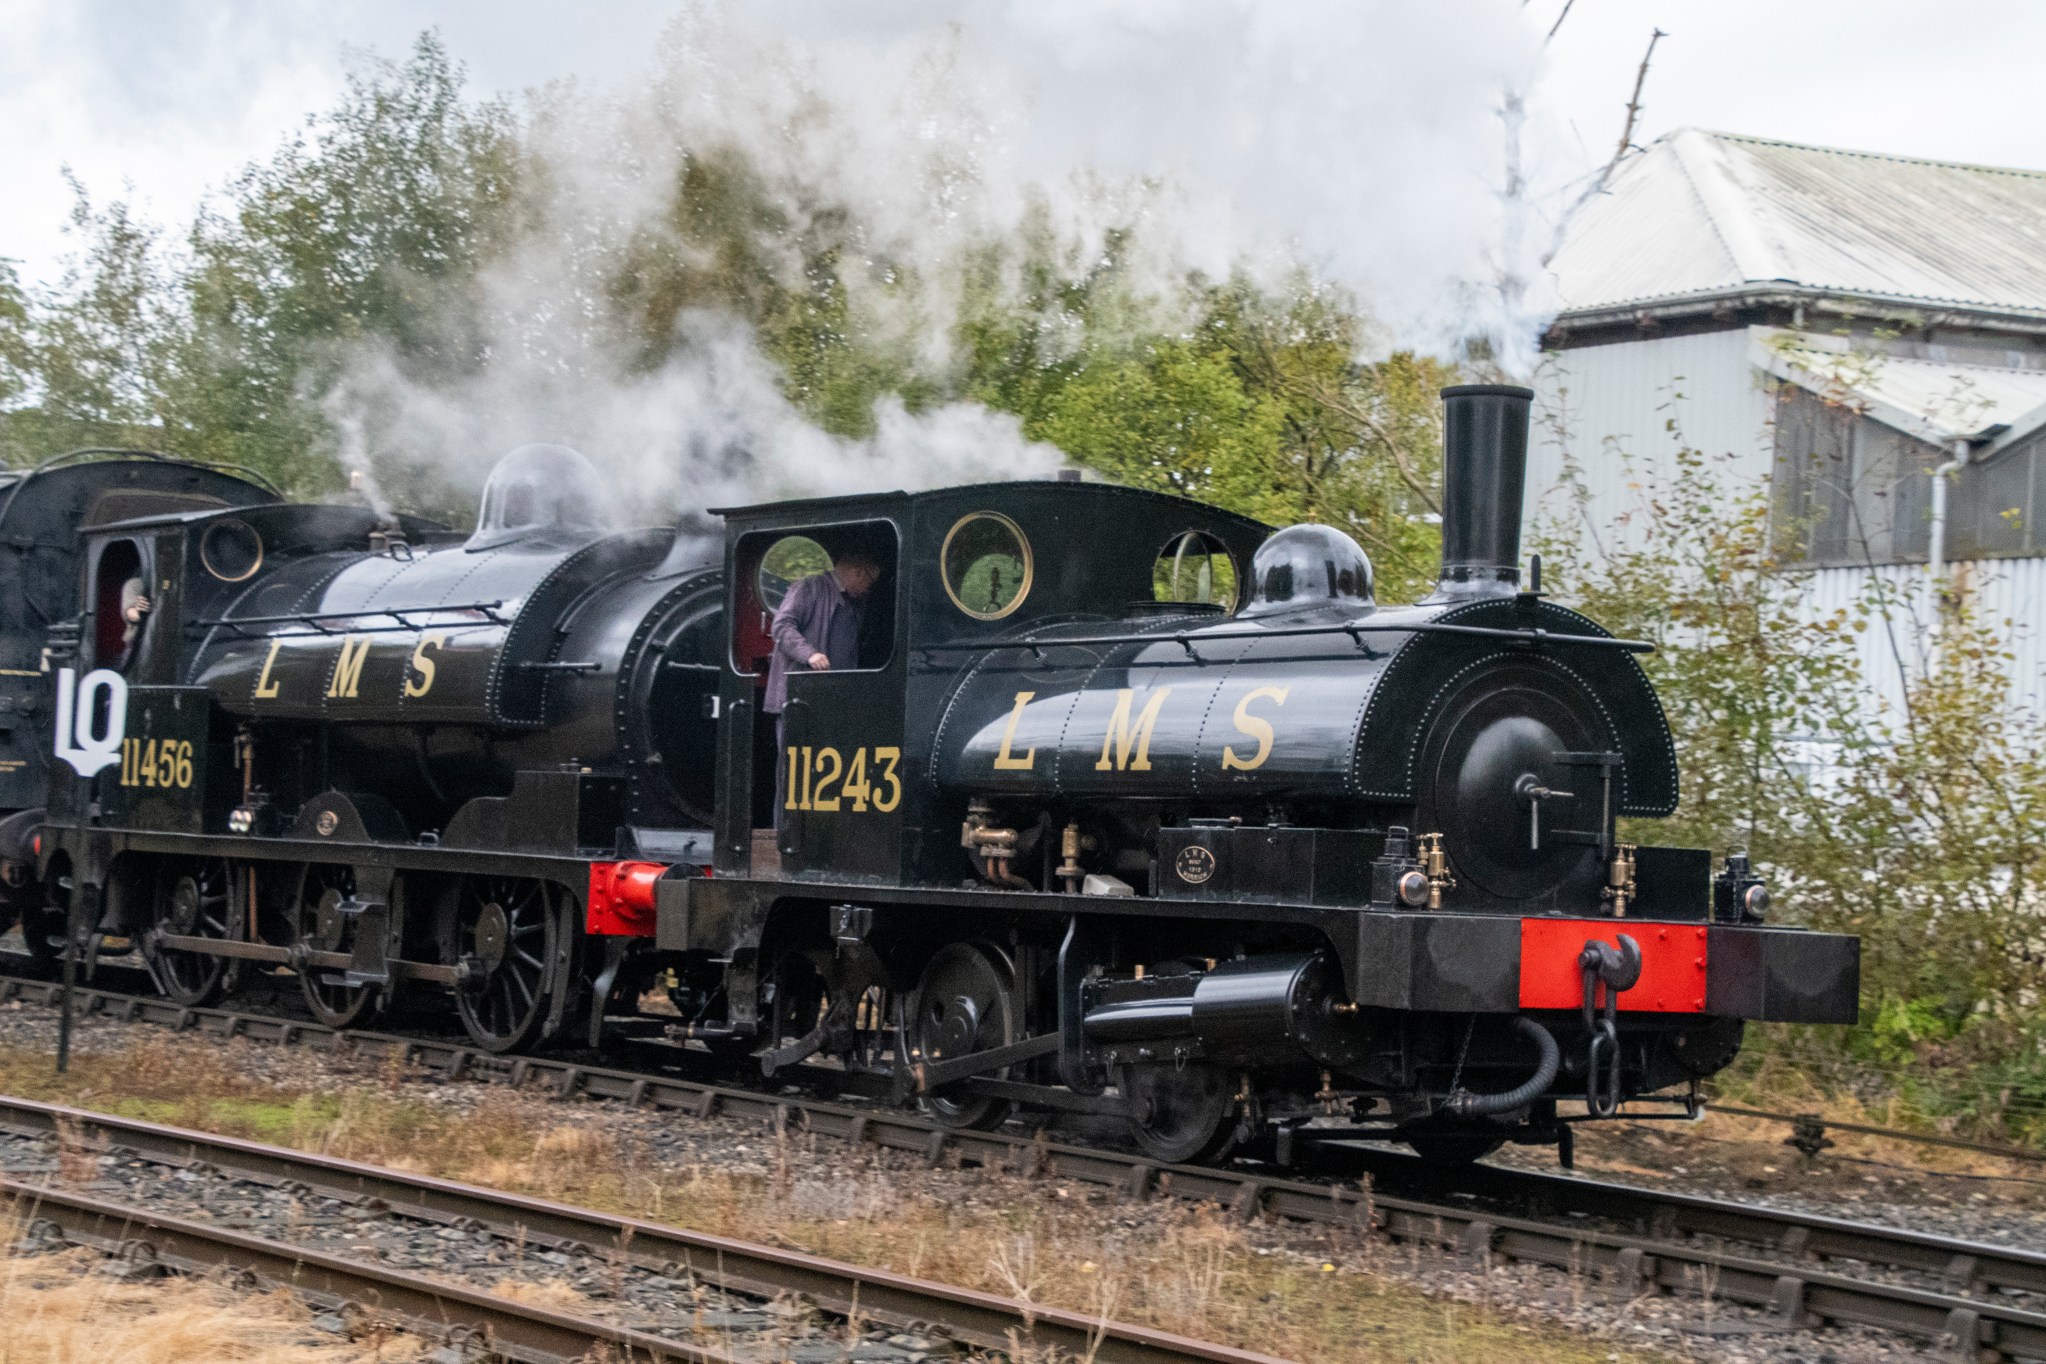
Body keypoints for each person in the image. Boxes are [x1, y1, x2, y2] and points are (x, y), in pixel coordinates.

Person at [764, 551, 881, 826]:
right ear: (857, 571)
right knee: (794, 773)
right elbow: (781, 627)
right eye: (869, 582)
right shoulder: (809, 587)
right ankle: (786, 834)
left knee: (827, 773)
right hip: (800, 700)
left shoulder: (853, 602)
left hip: (833, 701)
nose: (868, 590)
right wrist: (809, 654)